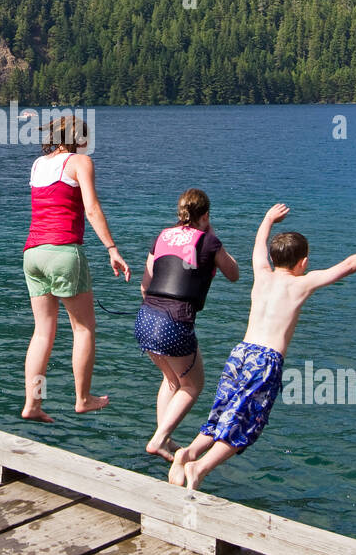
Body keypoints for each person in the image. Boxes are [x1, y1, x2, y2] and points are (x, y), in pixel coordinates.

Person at [169, 203, 356, 490]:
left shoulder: (262, 274)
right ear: (303, 262)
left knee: (223, 411)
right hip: (265, 361)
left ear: (272, 256)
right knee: (247, 422)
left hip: (241, 352)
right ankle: (200, 468)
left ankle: (188, 453)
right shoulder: (301, 284)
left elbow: (258, 244)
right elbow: (348, 265)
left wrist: (267, 218)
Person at [21, 114, 130, 422]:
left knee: (42, 333)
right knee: (83, 329)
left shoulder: (38, 165)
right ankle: (82, 398)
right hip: (64, 251)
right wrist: (112, 248)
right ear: (78, 138)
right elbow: (91, 208)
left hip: (33, 254)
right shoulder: (81, 163)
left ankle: (33, 403)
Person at [137, 189, 240, 461]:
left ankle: (165, 437)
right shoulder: (209, 242)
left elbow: (145, 285)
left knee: (171, 380)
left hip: (145, 318)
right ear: (205, 215)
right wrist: (211, 234)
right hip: (175, 321)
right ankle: (159, 440)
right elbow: (234, 273)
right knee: (193, 386)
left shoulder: (161, 236)